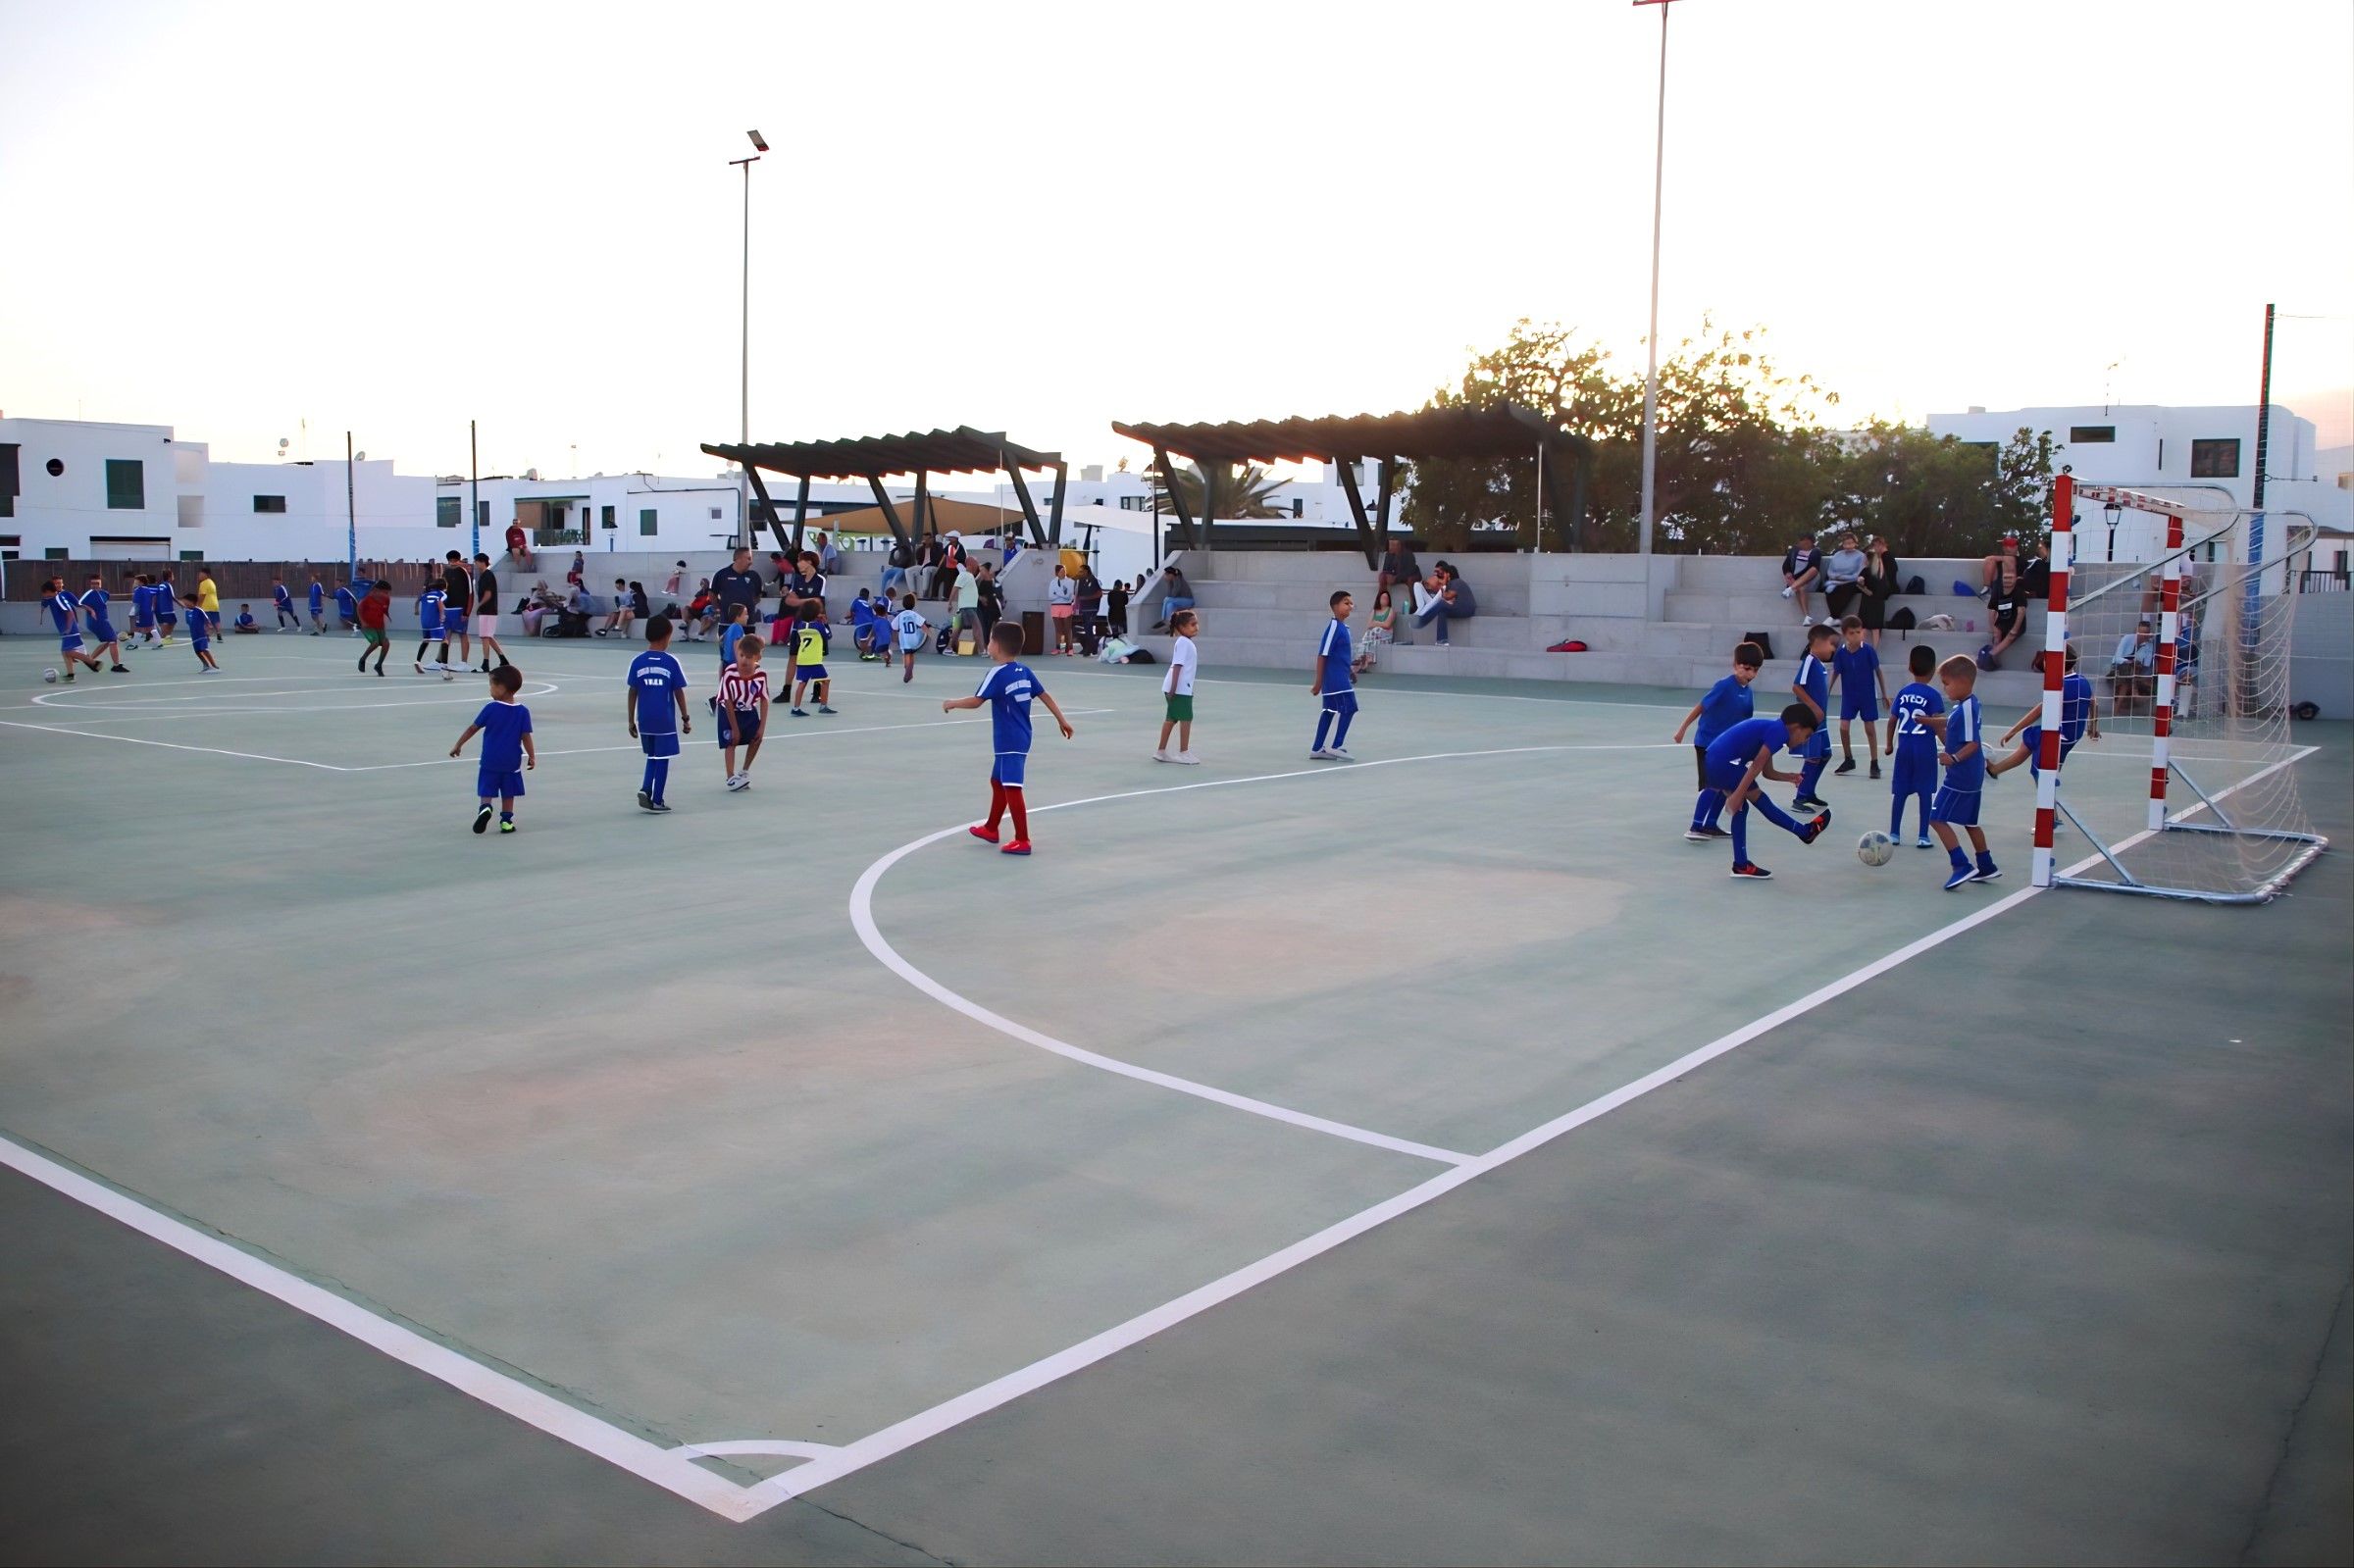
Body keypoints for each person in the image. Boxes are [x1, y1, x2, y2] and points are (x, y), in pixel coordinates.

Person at [942, 620, 1075, 857]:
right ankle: (991, 828)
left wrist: (952, 703)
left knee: (1012, 788)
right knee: (997, 781)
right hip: (1020, 736)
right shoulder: (1024, 671)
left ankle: (1022, 839)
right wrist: (1061, 719)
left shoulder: (997, 674)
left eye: (991, 640)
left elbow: (976, 701)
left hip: (1008, 740)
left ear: (998, 645)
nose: (989, 644)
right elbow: (1044, 695)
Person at [1703, 706, 1831, 881]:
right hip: (1723, 763)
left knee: (1743, 807)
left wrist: (1789, 777)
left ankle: (1741, 865)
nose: (1805, 741)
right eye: (1807, 735)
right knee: (1756, 800)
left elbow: (1767, 772)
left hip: (1713, 761)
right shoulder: (1779, 732)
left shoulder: (1773, 730)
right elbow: (1756, 765)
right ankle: (1804, 832)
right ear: (1796, 727)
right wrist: (1737, 795)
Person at [1673, 641, 1765, 840]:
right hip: (1707, 743)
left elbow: (1746, 724)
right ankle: (1696, 826)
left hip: (1727, 748)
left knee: (1726, 787)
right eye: (1746, 668)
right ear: (1735, 665)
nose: (1750, 673)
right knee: (1712, 785)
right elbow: (1701, 707)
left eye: (1755, 670)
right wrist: (1683, 729)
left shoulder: (1748, 693)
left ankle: (1711, 825)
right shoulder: (1724, 686)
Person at [1919, 654, 1997, 888]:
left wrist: (1953, 758)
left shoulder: (1966, 709)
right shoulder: (1967, 705)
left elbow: (1973, 743)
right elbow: (1950, 722)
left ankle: (1960, 864)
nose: (1944, 688)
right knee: (1970, 821)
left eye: (1946, 683)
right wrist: (1926, 721)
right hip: (1971, 775)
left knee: (1935, 818)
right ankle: (1986, 865)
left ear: (1963, 681)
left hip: (1961, 775)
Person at [1988, 644, 2101, 784]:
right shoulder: (2083, 680)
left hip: (2057, 736)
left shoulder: (2059, 687)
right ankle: (1994, 770)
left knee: (2042, 774)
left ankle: (2044, 794)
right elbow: (2094, 703)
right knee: (2032, 749)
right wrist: (2093, 729)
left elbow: (2038, 711)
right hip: (2073, 735)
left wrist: (2012, 731)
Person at [451, 665, 536, 835]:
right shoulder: (523, 712)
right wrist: (531, 756)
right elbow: (526, 736)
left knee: (487, 786)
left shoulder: (491, 708)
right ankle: (506, 822)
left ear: (502, 687)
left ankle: (485, 807)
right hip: (511, 760)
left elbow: (472, 728)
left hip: (490, 758)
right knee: (508, 791)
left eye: (491, 684)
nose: (490, 689)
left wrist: (458, 745)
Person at [626, 615, 691, 812]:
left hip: (645, 719)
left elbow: (632, 691)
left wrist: (631, 720)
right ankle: (658, 799)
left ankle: (646, 788)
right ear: (666, 636)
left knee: (652, 756)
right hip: (664, 720)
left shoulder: (637, 662)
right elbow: (678, 691)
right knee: (662, 758)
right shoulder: (670, 662)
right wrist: (685, 718)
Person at [1884, 644, 1944, 848]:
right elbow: (1937, 725)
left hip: (1904, 750)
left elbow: (1892, 720)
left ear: (1910, 667)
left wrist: (1889, 744)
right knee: (1925, 792)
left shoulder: (1903, 693)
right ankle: (1923, 835)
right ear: (1934, 669)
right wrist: (1949, 745)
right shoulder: (1933, 696)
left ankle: (1894, 833)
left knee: (1900, 792)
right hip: (1925, 751)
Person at [1828, 615, 1890, 779]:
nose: (1856, 635)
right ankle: (1849, 758)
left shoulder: (1868, 651)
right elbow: (1836, 672)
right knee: (1843, 727)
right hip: (1849, 696)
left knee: (1869, 728)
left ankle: (1874, 762)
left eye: (1858, 632)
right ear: (1844, 634)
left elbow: (1878, 672)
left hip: (1867, 696)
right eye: (1852, 633)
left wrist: (1884, 694)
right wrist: (1827, 691)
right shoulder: (1841, 653)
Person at [1789, 622, 1836, 811]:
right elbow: (1796, 686)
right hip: (1812, 721)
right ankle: (1800, 797)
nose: (1833, 648)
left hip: (1820, 721)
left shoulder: (1819, 664)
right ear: (1818, 642)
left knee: (1825, 754)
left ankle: (1809, 791)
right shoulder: (1809, 661)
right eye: (1830, 644)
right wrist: (1813, 707)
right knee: (1813, 757)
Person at [716, 632, 771, 791]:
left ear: (757, 658)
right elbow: (727, 700)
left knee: (757, 738)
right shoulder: (730, 673)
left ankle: (744, 771)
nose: (744, 660)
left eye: (748, 657)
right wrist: (735, 728)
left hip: (748, 709)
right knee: (731, 741)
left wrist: (762, 726)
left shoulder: (761, 675)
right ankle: (730, 777)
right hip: (729, 710)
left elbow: (765, 700)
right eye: (741, 655)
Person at [1309, 589, 1357, 760]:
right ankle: (1336, 745)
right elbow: (1323, 655)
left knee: (1329, 710)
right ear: (1335, 606)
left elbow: (1341, 655)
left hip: (1340, 677)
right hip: (1336, 680)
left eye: (1351, 603)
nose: (1350, 606)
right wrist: (1318, 683)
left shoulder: (1344, 628)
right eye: (1346, 603)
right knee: (1350, 707)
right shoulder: (1334, 628)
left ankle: (1317, 748)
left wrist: (1350, 671)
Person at [1155, 608, 1202, 764]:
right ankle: (1184, 752)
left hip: (1179, 687)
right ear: (1181, 627)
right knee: (1186, 718)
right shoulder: (1183, 642)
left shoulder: (1185, 643)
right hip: (1180, 688)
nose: (1196, 627)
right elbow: (1177, 666)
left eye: (1196, 624)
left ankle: (1161, 751)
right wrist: (1174, 689)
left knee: (1172, 718)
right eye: (1192, 624)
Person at [44, 577, 105, 680]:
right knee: (66, 652)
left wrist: (91, 610)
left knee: (68, 652)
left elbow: (78, 605)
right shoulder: (51, 597)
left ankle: (93, 663)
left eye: (59, 583)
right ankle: (71, 674)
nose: (57, 585)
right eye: (55, 583)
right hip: (65, 629)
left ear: (62, 584)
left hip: (71, 628)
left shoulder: (65, 595)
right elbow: (45, 602)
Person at [1411, 563, 1477, 645]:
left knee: (1442, 604)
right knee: (1442, 611)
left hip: (1466, 609)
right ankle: (1442, 640)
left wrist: (1442, 587)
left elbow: (1448, 597)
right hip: (1460, 608)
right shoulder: (1453, 584)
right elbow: (1450, 601)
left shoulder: (1456, 582)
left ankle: (1421, 621)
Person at [790, 601, 836, 716]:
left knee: (802, 682)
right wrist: (825, 623)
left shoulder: (800, 625)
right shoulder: (818, 626)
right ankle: (823, 706)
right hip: (813, 659)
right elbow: (828, 635)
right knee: (825, 681)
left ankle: (796, 708)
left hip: (802, 658)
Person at [78, 574, 127, 671]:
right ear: (90, 584)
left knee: (106, 642)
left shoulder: (105, 593)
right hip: (96, 621)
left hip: (103, 620)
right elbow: (79, 603)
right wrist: (91, 610)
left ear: (100, 583)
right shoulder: (89, 593)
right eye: (92, 583)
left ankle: (90, 661)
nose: (94, 585)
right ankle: (116, 666)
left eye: (97, 583)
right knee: (113, 640)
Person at [1858, 535, 1901, 645]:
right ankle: (1873, 649)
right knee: (1874, 627)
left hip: (1873, 598)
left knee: (1866, 625)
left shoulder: (1883, 560)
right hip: (1878, 598)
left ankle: (1863, 647)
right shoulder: (1879, 566)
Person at [2108, 618, 2159, 710]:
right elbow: (2117, 658)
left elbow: (2146, 664)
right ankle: (2134, 692)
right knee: (2127, 669)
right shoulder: (2127, 638)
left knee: (2132, 673)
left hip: (2136, 671)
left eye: (2146, 633)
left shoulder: (2149, 645)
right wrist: (2128, 661)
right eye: (2141, 632)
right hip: (2118, 668)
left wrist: (2135, 664)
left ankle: (2118, 708)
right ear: (2136, 631)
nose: (2142, 636)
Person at [472, 553, 509, 672]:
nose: (475, 564)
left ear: (482, 562)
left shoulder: (487, 575)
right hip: (489, 610)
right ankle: (502, 658)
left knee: (484, 636)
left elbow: (488, 594)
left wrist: (479, 605)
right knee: (488, 636)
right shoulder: (485, 575)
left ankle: (486, 662)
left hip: (487, 610)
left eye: (476, 561)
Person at [712, 545, 764, 630]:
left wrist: (748, 606)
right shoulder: (721, 574)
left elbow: (758, 596)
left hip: (748, 624)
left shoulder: (755, 576)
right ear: (738, 558)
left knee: (748, 643)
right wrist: (719, 609)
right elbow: (712, 594)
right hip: (726, 624)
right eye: (748, 558)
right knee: (728, 643)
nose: (751, 562)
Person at [1820, 532, 1868, 621]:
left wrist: (1843, 577)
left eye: (1850, 543)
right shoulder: (1837, 555)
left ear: (1855, 543)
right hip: (1835, 580)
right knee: (1828, 588)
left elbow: (1859, 573)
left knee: (1846, 589)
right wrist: (1835, 577)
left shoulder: (1861, 556)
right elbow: (1830, 571)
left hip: (1852, 581)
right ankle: (1835, 617)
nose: (1848, 546)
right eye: (1846, 543)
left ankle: (1833, 616)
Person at [1780, 532, 1824, 623]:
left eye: (1807, 542)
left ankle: (1791, 589)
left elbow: (1815, 568)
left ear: (1812, 543)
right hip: (1797, 581)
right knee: (1801, 588)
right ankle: (1807, 616)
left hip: (1811, 579)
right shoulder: (1794, 551)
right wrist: (1788, 573)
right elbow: (1785, 566)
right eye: (1802, 542)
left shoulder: (1816, 552)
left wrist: (1794, 584)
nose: (1804, 544)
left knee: (1813, 570)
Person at [441, 551, 476, 668]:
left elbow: (470, 593)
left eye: (454, 560)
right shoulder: (446, 572)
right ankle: (442, 662)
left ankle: (464, 662)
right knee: (446, 634)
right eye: (450, 561)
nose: (452, 563)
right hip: (448, 608)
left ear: (458, 560)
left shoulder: (465, 571)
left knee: (463, 634)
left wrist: (467, 612)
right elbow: (442, 590)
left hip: (460, 609)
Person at [1355, 587, 1398, 674]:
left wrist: (1376, 622)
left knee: (1375, 631)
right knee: (1369, 636)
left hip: (1385, 635)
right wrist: (1380, 623)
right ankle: (1361, 662)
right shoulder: (1374, 611)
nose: (1385, 599)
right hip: (1373, 635)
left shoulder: (1391, 611)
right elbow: (1369, 625)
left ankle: (1365, 662)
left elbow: (1387, 625)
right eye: (1383, 598)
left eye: (1386, 598)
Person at [179, 590, 222, 673]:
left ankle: (214, 666)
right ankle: (206, 665)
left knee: (205, 650)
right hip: (194, 635)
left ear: (192, 602)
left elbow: (208, 622)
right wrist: (173, 598)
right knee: (197, 651)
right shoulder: (187, 611)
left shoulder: (199, 610)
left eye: (186, 602)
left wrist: (209, 631)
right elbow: (180, 604)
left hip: (202, 634)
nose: (184, 604)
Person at [356, 579, 392, 676]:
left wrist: (387, 615)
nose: (387, 595)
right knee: (375, 642)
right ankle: (362, 659)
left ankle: (379, 665)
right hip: (367, 627)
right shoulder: (367, 600)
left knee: (386, 643)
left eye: (387, 593)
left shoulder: (387, 599)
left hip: (379, 626)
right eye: (385, 592)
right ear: (377, 590)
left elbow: (385, 609)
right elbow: (359, 609)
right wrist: (363, 622)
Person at [893, 593, 931, 683]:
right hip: (914, 638)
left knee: (906, 654)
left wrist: (896, 636)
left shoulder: (900, 615)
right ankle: (910, 671)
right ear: (913, 604)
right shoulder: (914, 614)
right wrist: (929, 633)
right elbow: (923, 625)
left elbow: (894, 627)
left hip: (904, 639)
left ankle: (907, 670)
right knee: (912, 654)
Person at [1375, 538, 1421, 608]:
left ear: (1399, 546)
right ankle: (1381, 602)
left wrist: (1396, 577)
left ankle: (1415, 604)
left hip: (1412, 574)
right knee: (1382, 576)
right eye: (1390, 544)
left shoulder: (1409, 555)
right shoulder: (1388, 555)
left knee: (1410, 580)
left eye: (1393, 545)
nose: (1391, 547)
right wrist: (1389, 576)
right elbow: (1386, 569)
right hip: (1397, 576)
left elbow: (1410, 570)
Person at [414, 581, 447, 673]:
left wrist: (416, 610)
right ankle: (445, 667)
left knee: (426, 640)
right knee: (445, 641)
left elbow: (417, 601)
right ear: (443, 587)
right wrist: (442, 615)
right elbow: (439, 602)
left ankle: (418, 661)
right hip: (435, 621)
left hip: (424, 621)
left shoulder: (425, 594)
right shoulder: (441, 594)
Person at [1047, 563, 1077, 655]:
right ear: (1056, 573)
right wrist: (1062, 594)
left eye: (1064, 571)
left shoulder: (1071, 581)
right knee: (1058, 629)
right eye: (1061, 571)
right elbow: (1050, 596)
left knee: (1067, 628)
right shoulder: (1052, 582)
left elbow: (1069, 596)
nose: (1063, 573)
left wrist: (1057, 593)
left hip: (1067, 606)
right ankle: (1058, 648)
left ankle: (1070, 648)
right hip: (1055, 606)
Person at [1074, 567, 1105, 656]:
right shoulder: (1081, 581)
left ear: (1087, 571)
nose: (1080, 573)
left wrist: (1087, 598)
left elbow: (1100, 594)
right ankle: (1088, 647)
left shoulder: (1094, 580)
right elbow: (1078, 595)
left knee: (1089, 628)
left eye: (1082, 571)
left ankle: (1091, 648)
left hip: (1092, 609)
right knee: (1085, 629)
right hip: (1084, 609)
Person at [1154, 566, 1195, 631]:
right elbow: (1170, 595)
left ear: (1171, 575)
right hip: (1180, 601)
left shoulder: (1177, 579)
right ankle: (1171, 624)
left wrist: (1170, 584)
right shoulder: (1172, 581)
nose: (1165, 576)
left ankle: (1164, 620)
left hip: (1188, 601)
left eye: (1167, 575)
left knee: (1166, 600)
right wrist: (1169, 583)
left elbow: (1173, 595)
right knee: (1170, 605)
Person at [975, 562, 1002, 648]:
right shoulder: (981, 583)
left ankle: (996, 647)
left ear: (987, 571)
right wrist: (981, 598)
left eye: (982, 570)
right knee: (986, 628)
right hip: (985, 609)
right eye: (980, 571)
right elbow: (977, 594)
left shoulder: (994, 581)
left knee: (996, 629)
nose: (980, 573)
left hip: (995, 608)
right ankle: (986, 647)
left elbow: (999, 594)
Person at [151, 570, 179, 644]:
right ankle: (163, 639)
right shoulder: (168, 585)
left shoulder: (160, 585)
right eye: (173, 575)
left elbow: (154, 597)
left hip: (159, 609)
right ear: (170, 577)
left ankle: (166, 637)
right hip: (167, 609)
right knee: (169, 623)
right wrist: (182, 604)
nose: (173, 576)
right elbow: (173, 597)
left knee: (170, 622)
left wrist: (153, 607)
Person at [194, 566, 221, 632]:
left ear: (206, 575)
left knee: (205, 622)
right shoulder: (212, 582)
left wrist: (197, 606)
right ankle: (219, 635)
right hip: (215, 606)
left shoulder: (204, 583)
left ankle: (206, 635)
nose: (199, 576)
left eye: (200, 574)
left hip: (206, 606)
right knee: (216, 621)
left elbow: (202, 596)